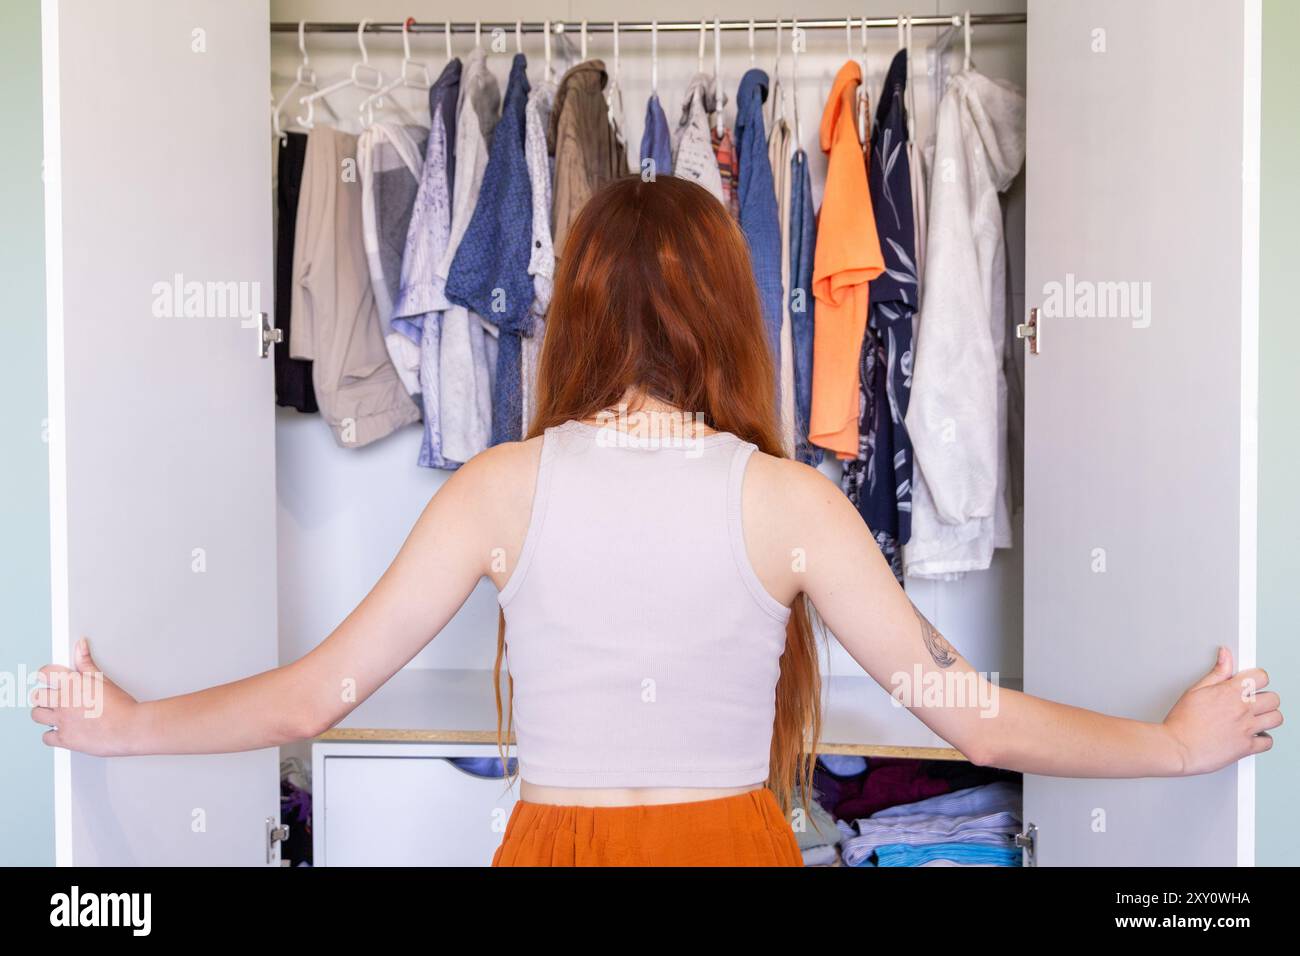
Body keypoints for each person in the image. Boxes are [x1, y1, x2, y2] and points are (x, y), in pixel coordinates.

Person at [31, 176, 1282, 867]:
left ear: (573, 313)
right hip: (729, 848)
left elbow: (313, 698)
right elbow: (969, 712)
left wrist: (126, 726)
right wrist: (1176, 747)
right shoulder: (790, 502)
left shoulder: (498, 487)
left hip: (550, 848)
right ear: (731, 314)